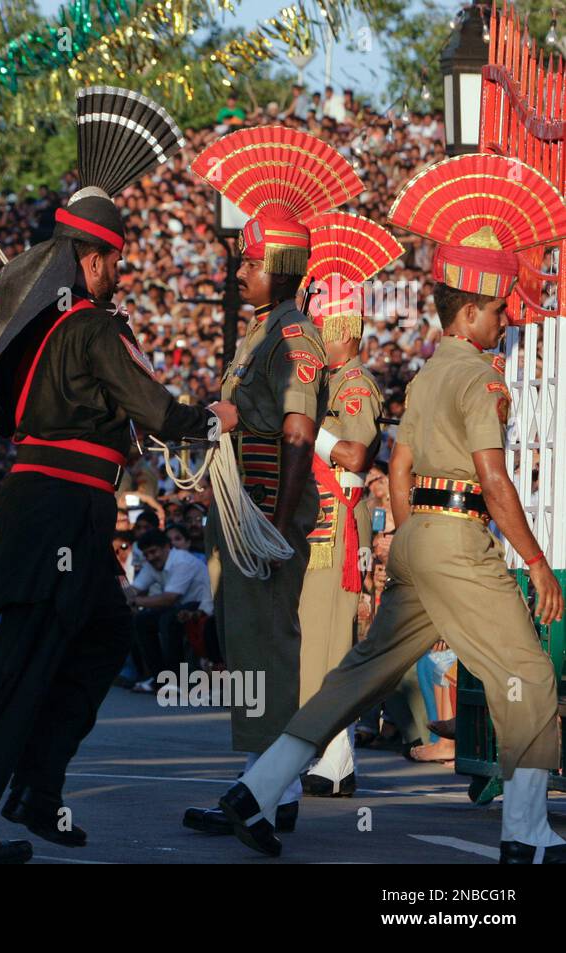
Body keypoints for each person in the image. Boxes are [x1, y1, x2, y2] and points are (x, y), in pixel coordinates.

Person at [213, 153, 566, 863]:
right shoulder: (478, 378)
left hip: (418, 540)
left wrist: (411, 541)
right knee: (528, 673)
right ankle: (526, 831)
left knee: (352, 678)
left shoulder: (432, 371)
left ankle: (257, 788)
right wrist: (534, 560)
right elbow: (494, 481)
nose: (504, 320)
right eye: (499, 309)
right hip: (462, 539)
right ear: (471, 308)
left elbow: (398, 467)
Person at [0, 87, 237, 863]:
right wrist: (213, 421)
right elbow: (155, 406)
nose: (117, 273)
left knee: (102, 635)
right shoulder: (95, 326)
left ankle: (36, 786)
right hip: (64, 509)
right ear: (87, 256)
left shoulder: (27, 328)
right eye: (112, 259)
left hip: (52, 507)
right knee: (21, 667)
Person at [183, 126, 361, 838]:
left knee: (271, 652)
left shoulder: (292, 339)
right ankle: (258, 785)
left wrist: (277, 525)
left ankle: (271, 794)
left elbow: (294, 434)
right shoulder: (259, 332)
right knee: (250, 649)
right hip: (245, 513)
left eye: (251, 263)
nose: (239, 272)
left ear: (280, 267)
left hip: (266, 515)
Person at [296, 212, 400, 797]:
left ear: (337, 327)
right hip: (324, 525)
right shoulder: (332, 383)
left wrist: (310, 428)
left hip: (339, 527)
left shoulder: (354, 384)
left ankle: (332, 763)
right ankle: (327, 760)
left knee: (332, 643)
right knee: (319, 642)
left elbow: (357, 455)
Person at [127, 528, 212, 693]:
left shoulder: (182, 562)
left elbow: (169, 598)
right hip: (179, 606)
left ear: (166, 547)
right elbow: (134, 589)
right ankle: (159, 678)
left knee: (168, 620)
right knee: (142, 621)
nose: (151, 558)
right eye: (147, 555)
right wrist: (123, 597)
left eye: (153, 552)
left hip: (200, 605)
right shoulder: (152, 564)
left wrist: (134, 601)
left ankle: (177, 679)